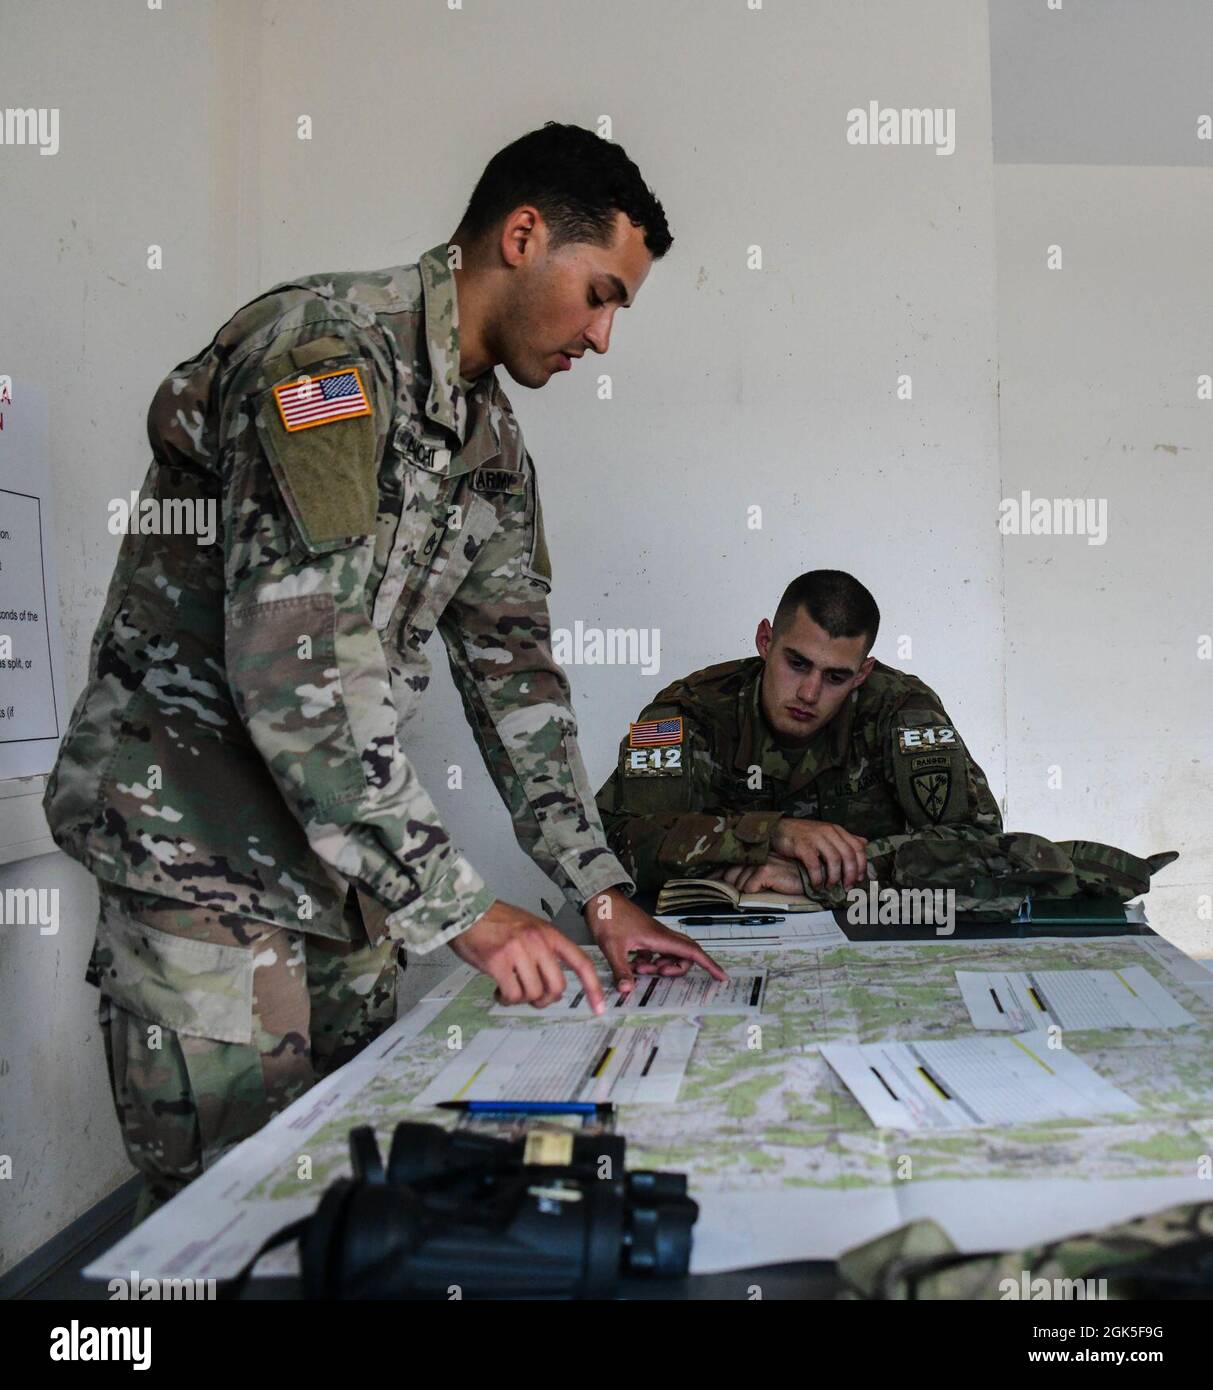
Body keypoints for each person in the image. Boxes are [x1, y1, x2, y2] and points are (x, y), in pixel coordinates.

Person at [43, 122, 721, 1218]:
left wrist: (599, 892)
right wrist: (467, 913)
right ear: (522, 233)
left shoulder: (489, 443)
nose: (602, 336)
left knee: (346, 1213)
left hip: (349, 881)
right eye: (601, 294)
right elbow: (294, 666)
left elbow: (517, 682)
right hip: (202, 864)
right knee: (225, 1221)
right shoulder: (322, 357)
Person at [596, 570, 1173, 915]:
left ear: (863, 673)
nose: (810, 692)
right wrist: (767, 833)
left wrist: (825, 877)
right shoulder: (690, 709)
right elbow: (617, 844)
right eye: (796, 663)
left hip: (876, 931)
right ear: (765, 641)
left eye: (837, 677)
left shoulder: (901, 710)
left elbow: (976, 845)